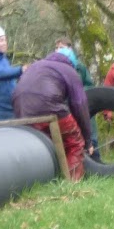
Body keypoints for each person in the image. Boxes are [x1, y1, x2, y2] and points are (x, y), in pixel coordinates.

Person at [11, 44, 93, 181]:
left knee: (42, 146)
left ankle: (42, 182)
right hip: (49, 108)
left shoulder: (36, 65)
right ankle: (72, 183)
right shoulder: (69, 70)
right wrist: (87, 140)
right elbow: (79, 104)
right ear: (72, 62)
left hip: (21, 110)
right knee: (74, 142)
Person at [54, 37, 98, 157]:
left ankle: (97, 164)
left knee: (90, 136)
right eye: (56, 48)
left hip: (83, 106)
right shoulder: (54, 67)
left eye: (61, 48)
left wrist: (79, 94)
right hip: (66, 109)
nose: (58, 50)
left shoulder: (79, 67)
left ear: (70, 49)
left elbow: (89, 85)